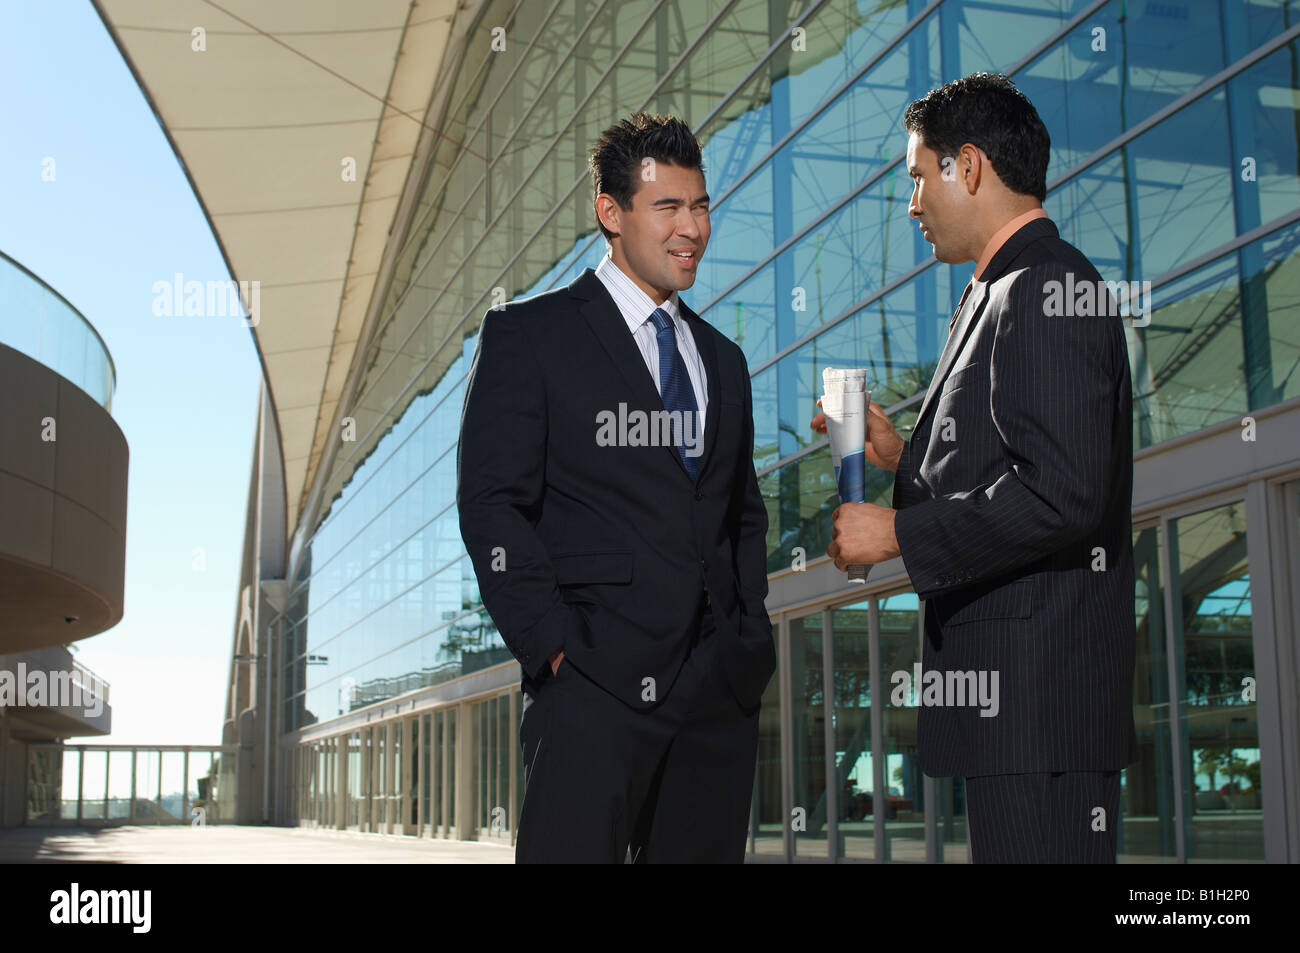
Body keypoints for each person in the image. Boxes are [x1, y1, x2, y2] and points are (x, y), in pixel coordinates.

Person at [814, 73, 1138, 863]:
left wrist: (897, 531)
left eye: (918, 178)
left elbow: (1061, 492)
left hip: (1037, 712)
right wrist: (903, 458)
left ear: (969, 166)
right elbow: (1019, 464)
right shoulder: (1000, 289)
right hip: (1018, 717)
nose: (913, 204)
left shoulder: (1045, 284)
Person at [457, 112, 775, 863]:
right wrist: (554, 649)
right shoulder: (528, 337)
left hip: (713, 697)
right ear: (612, 212)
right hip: (591, 687)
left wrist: (746, 640)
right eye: (668, 207)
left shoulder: (723, 360)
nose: (691, 228)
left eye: (700, 206)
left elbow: (740, 516)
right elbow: (492, 503)